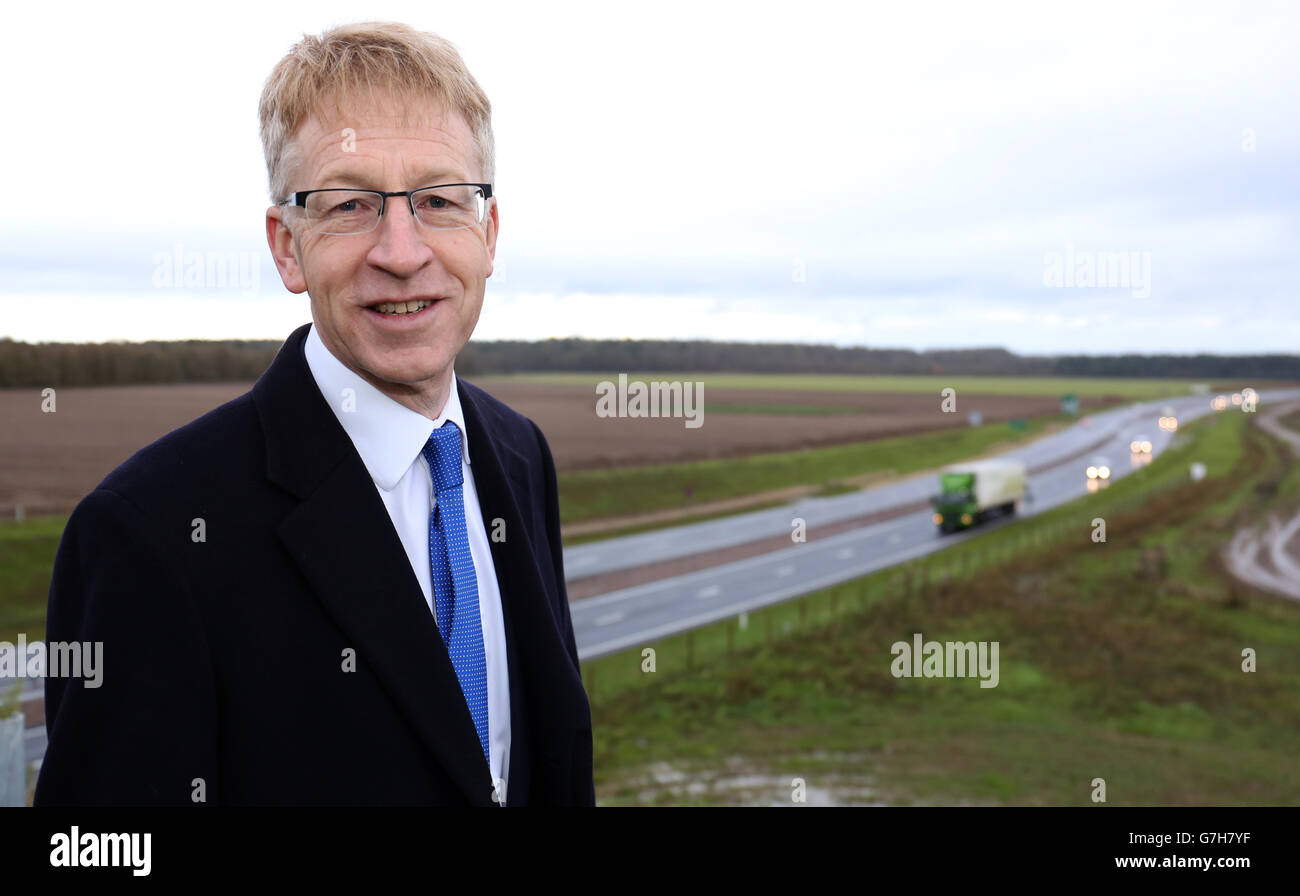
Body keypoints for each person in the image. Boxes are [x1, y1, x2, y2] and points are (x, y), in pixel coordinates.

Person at [34, 22, 594, 806]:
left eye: (438, 199)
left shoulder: (518, 455)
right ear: (287, 245)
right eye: (351, 204)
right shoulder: (148, 533)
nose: (401, 251)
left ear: (489, 233)